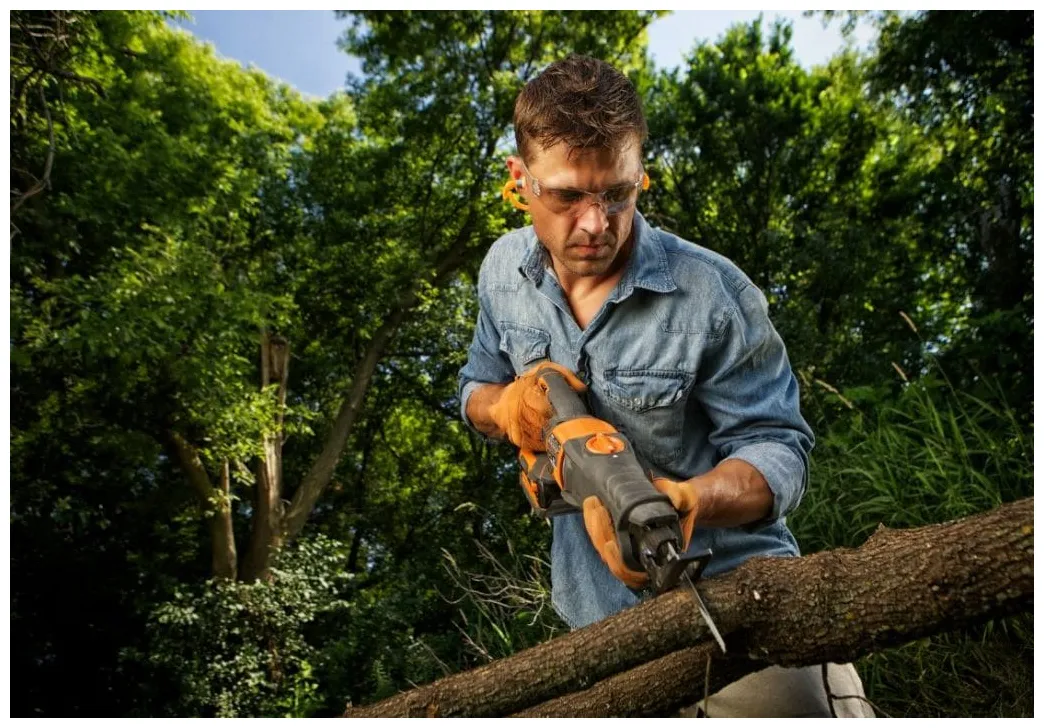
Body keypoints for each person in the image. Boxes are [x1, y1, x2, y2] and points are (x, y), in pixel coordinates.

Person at [457, 54, 873, 718]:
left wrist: (690, 500)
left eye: (617, 192)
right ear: (520, 181)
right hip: (600, 633)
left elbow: (779, 449)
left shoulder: (712, 292)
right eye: (566, 196)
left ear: (639, 174)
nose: (595, 223)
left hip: (745, 608)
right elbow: (476, 385)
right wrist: (504, 408)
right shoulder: (503, 273)